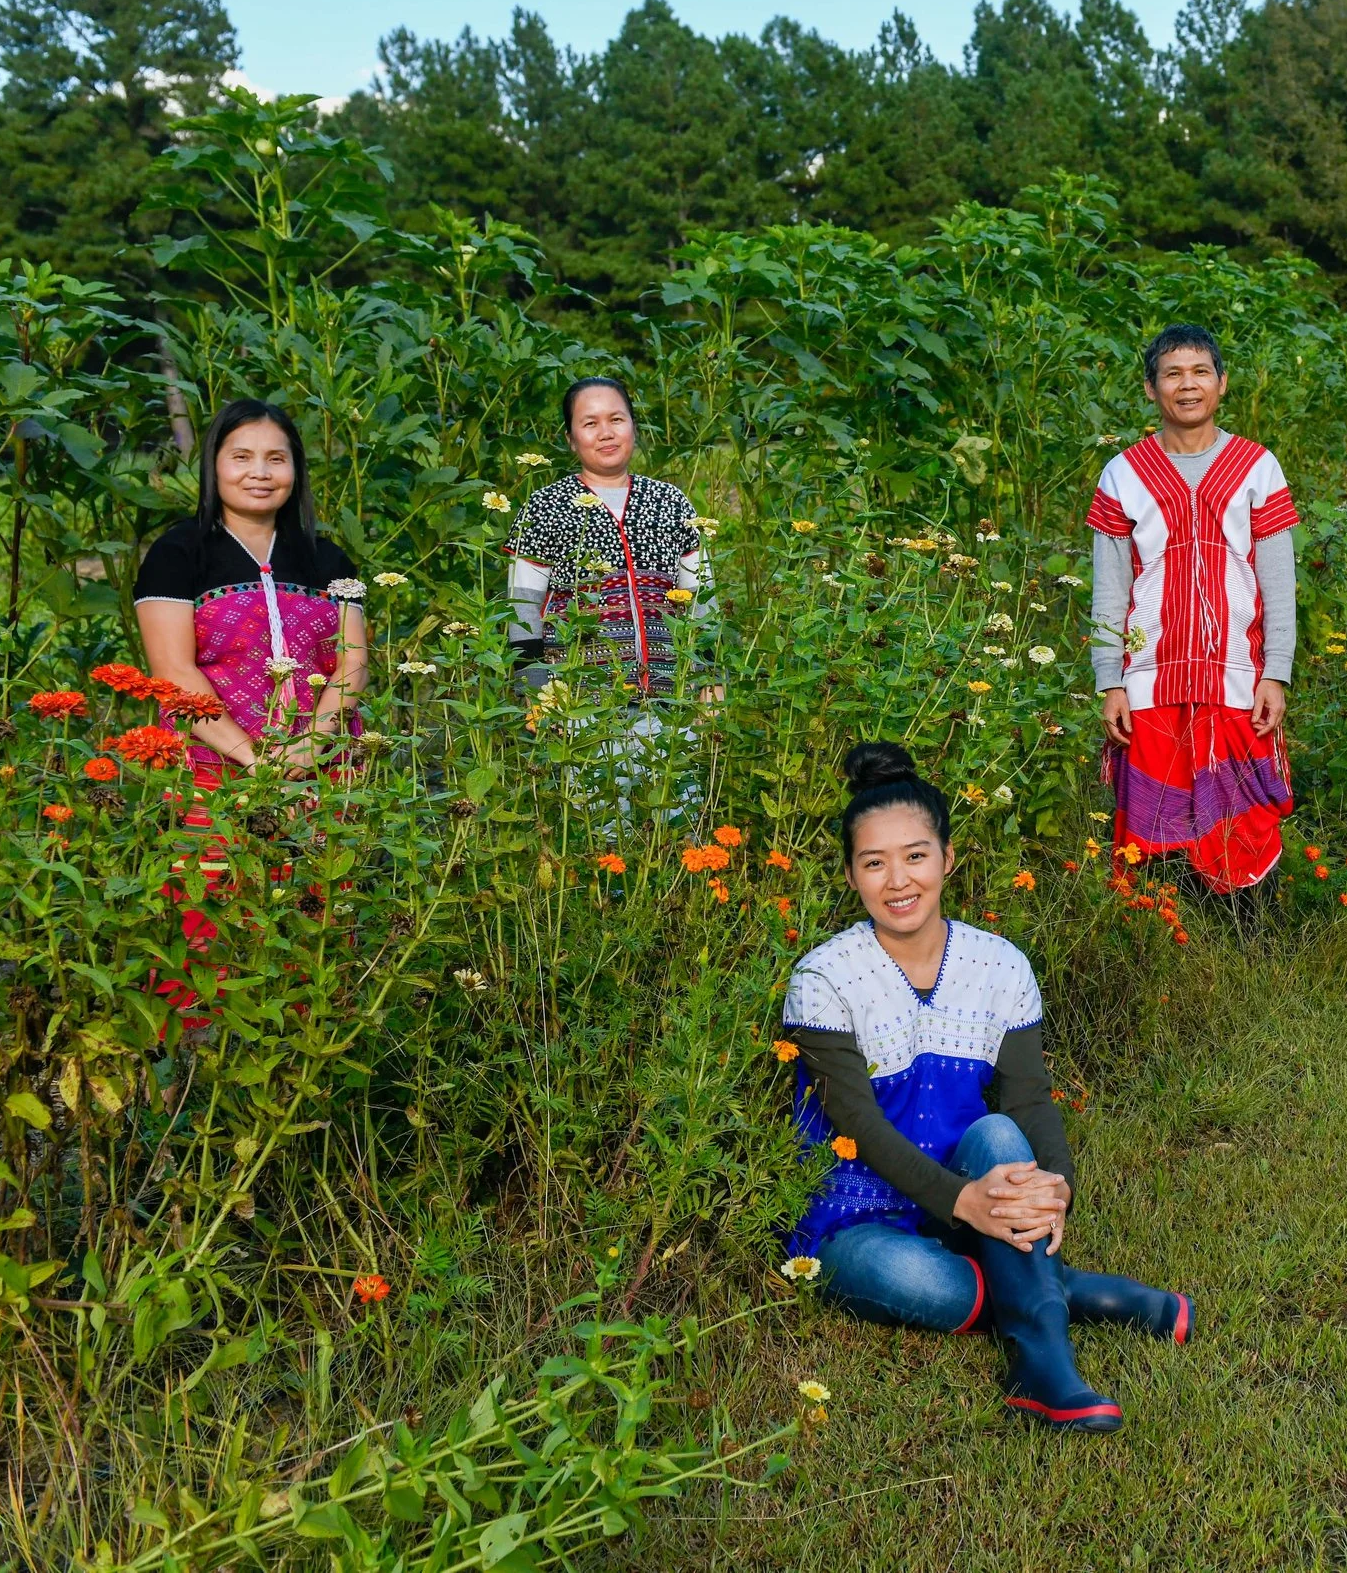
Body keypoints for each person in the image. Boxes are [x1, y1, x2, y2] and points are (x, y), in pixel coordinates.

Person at [783, 742, 1191, 1432]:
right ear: (852, 875)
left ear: (947, 858)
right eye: (874, 862)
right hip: (856, 1218)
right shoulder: (824, 978)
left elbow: (1029, 1101)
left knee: (1001, 1133)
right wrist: (965, 1199)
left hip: (967, 1198)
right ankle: (1078, 1295)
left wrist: (1057, 1184)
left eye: (915, 855)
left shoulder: (999, 965)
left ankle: (1042, 1369)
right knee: (926, 1288)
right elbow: (860, 1125)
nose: (898, 879)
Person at [1087, 324, 1299, 895]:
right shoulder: (1123, 474)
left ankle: (1248, 942)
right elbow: (1109, 591)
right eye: (1173, 374)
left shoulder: (1256, 467)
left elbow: (1278, 584)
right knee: (1155, 818)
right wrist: (1111, 681)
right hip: (1149, 678)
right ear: (1151, 389)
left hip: (1236, 676)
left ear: (1222, 384)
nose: (1188, 385)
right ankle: (1163, 940)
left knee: (1244, 813)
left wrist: (1275, 673)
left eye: (1200, 372)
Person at [136, 398, 370, 785]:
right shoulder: (177, 553)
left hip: (325, 766)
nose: (259, 473)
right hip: (213, 763)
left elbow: (354, 665)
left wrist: (309, 745)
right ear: (214, 464)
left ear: (295, 469)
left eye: (276, 459)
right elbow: (173, 671)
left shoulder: (328, 560)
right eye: (241, 457)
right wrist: (253, 758)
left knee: (331, 848)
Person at [505, 376, 717, 696]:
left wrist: (711, 680)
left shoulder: (671, 502)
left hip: (672, 707)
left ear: (634, 427)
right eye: (590, 423)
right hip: (576, 705)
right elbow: (522, 607)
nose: (606, 433)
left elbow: (703, 599)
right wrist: (535, 692)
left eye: (616, 419)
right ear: (571, 439)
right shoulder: (545, 506)